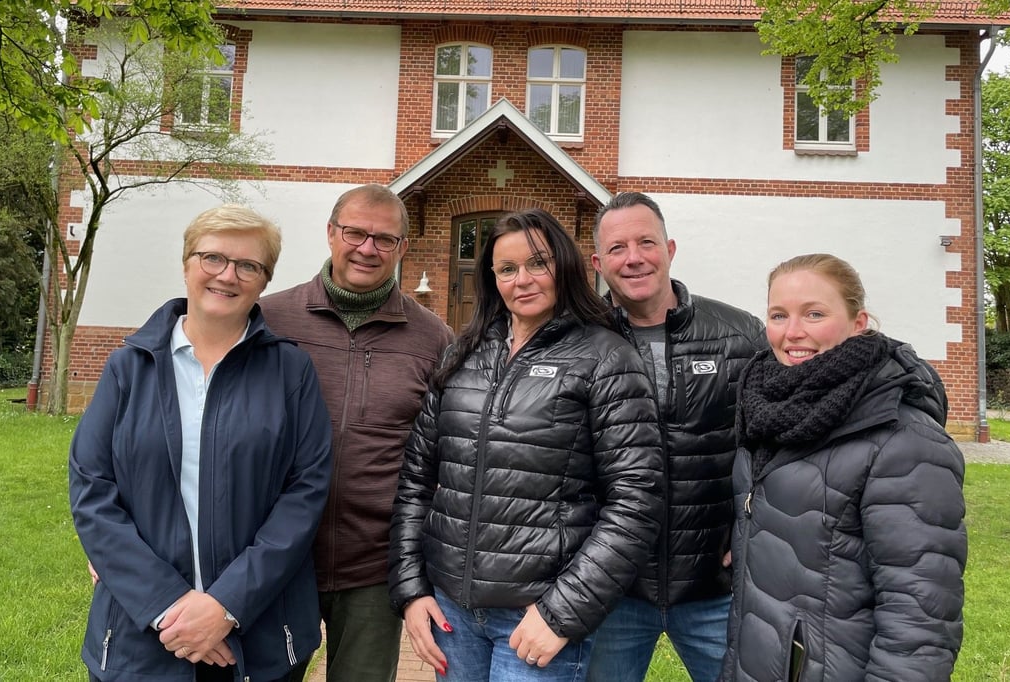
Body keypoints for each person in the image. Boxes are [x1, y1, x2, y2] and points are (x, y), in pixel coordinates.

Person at [388, 208, 665, 682]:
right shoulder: (464, 354)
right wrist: (412, 590)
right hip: (453, 612)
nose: (523, 280)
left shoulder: (605, 357)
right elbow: (417, 481)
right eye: (507, 269)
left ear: (564, 265)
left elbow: (636, 499)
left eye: (538, 263)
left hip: (535, 616)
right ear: (491, 278)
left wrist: (563, 612)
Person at [69, 204, 333, 682]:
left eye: (248, 265)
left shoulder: (290, 372)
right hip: (140, 636)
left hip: (259, 635)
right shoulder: (128, 368)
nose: (227, 275)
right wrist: (168, 605)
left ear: (264, 280)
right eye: (212, 258)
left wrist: (226, 606)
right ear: (187, 264)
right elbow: (92, 492)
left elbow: (305, 494)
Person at [720, 253, 967, 682]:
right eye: (779, 315)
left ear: (858, 322)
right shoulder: (764, 409)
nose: (793, 332)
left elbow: (920, 619)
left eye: (814, 313)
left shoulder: (902, 438)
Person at [259, 184, 454, 682]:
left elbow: (449, 453)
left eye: (384, 239)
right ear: (330, 233)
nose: (367, 248)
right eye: (355, 232)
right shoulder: (268, 319)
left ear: (402, 248)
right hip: (275, 556)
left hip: (374, 563)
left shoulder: (433, 338)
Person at [587, 192, 766, 682]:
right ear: (599, 263)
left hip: (718, 585)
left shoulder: (739, 334)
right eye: (618, 248)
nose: (635, 257)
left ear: (669, 248)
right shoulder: (580, 340)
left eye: (646, 242)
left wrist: (755, 519)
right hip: (613, 591)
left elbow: (777, 441)